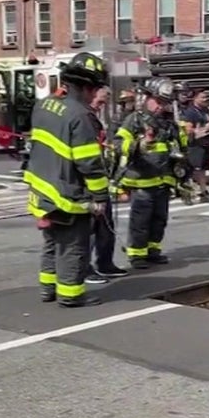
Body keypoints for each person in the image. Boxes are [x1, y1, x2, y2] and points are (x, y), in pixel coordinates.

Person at [24, 52, 112, 308]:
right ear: (86, 87)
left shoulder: (43, 105)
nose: (95, 94)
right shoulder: (81, 116)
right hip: (66, 193)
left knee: (51, 242)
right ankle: (71, 294)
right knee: (73, 245)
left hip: (40, 189)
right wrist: (100, 196)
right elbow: (89, 163)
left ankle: (47, 289)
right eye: (95, 88)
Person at [113, 77, 180, 270]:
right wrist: (138, 145)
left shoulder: (168, 123)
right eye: (158, 102)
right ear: (148, 98)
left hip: (163, 180)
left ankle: (153, 251)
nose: (161, 107)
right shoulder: (134, 120)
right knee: (140, 220)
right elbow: (117, 145)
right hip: (141, 181)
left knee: (159, 219)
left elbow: (176, 149)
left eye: (164, 103)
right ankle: (136, 255)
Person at [83, 86, 128, 284]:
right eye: (100, 102)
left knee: (106, 225)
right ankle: (84, 268)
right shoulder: (82, 118)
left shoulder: (93, 117)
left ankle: (105, 263)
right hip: (87, 184)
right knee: (90, 228)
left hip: (100, 179)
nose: (101, 106)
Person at [181, 89, 209, 203]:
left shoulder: (206, 110)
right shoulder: (190, 112)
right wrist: (203, 129)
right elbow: (188, 130)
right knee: (192, 170)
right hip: (195, 145)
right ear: (195, 98)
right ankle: (188, 194)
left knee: (202, 170)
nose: (205, 99)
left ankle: (203, 193)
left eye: (205, 97)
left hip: (206, 144)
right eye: (202, 97)